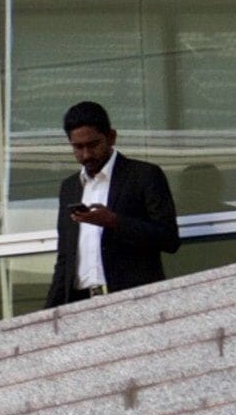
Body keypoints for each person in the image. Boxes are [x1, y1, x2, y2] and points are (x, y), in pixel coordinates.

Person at [42, 102, 181, 310]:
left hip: (134, 302)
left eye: (93, 144)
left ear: (111, 137)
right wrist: (48, 314)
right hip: (80, 306)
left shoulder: (143, 175)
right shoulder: (69, 188)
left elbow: (169, 239)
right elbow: (66, 258)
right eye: (78, 147)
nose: (86, 154)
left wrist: (115, 222)